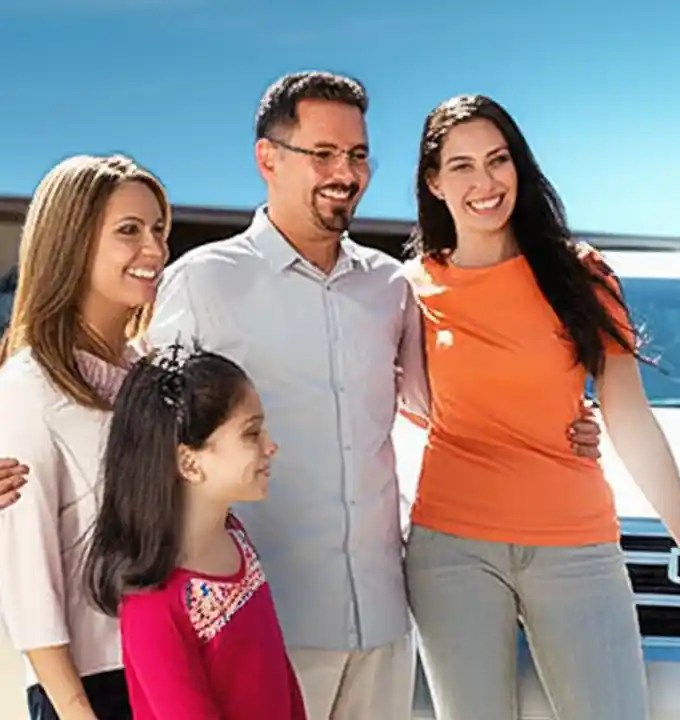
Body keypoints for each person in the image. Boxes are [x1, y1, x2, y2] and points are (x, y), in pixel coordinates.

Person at [144, 71, 602, 720]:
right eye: (323, 154)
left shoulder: (389, 288)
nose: (346, 172)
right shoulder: (204, 285)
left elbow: (452, 403)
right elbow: (150, 450)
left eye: (358, 155)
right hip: (264, 622)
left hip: (384, 625)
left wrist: (572, 418)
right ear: (267, 159)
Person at [401, 93, 680, 720]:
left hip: (574, 542)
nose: (485, 182)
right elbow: (397, 401)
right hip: (451, 548)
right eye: (463, 166)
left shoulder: (578, 273)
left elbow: (632, 421)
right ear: (433, 181)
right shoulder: (411, 290)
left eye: (498, 160)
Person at [0, 154, 172, 720]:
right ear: (71, 242)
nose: (154, 250)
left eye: (157, 230)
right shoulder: (30, 386)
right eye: (129, 231)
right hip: (93, 690)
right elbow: (27, 574)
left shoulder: (150, 376)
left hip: (171, 670)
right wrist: (76, 710)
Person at [84, 344, 304, 719]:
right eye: (251, 434)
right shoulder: (153, 608)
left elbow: (280, 675)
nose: (271, 446)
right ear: (189, 461)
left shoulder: (235, 538)